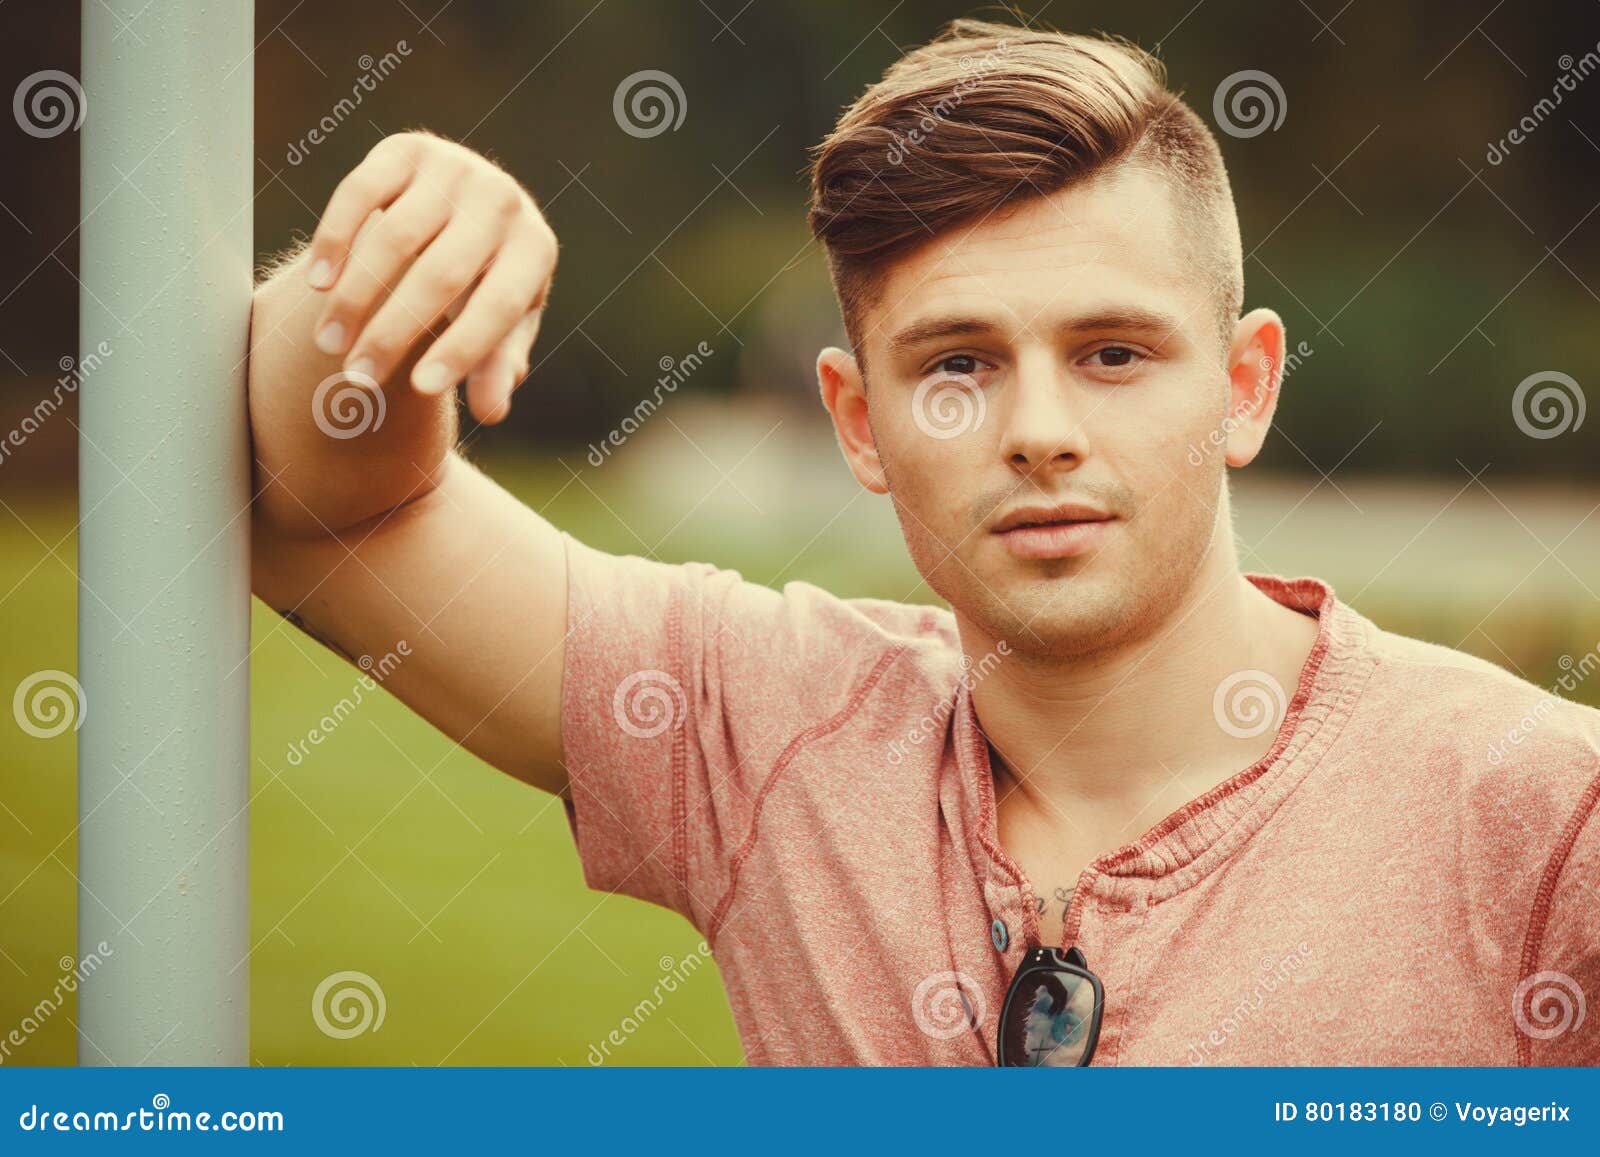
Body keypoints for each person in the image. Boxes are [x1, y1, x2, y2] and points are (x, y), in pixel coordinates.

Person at [248, 18, 1599, 1065]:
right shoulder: (762, 725)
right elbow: (327, 510)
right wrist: (382, 272)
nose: (1041, 429)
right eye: (957, 363)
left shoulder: (1541, 817)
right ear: (857, 419)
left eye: (1114, 351)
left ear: (1245, 384)